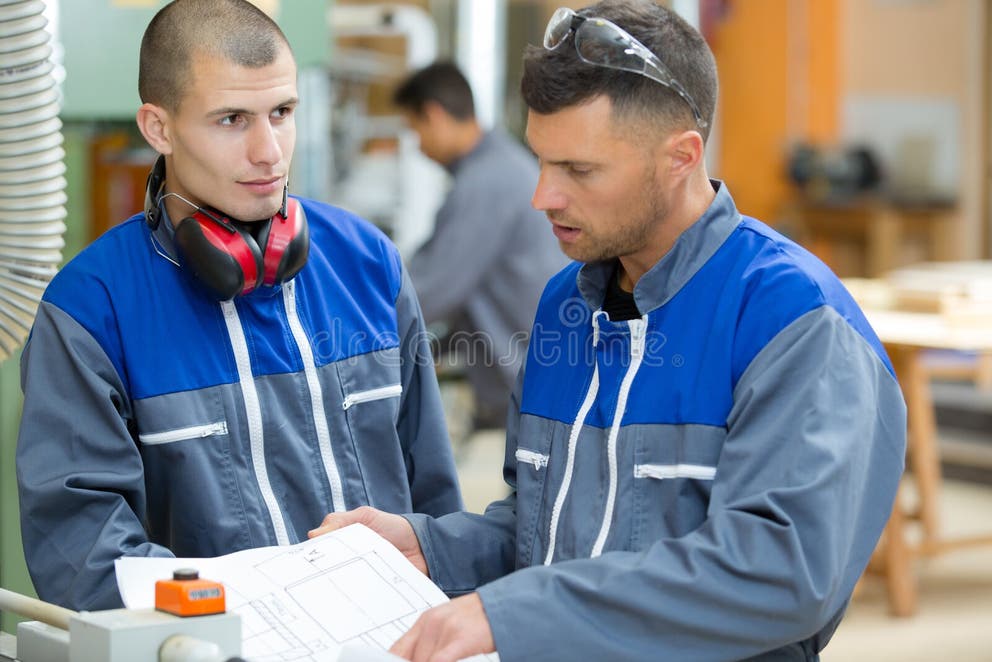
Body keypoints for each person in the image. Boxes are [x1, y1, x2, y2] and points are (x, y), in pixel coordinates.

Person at [310, 1, 908, 660]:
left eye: (579, 170)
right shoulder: (567, 304)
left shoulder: (793, 323)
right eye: (541, 159)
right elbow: (545, 528)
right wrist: (430, 547)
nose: (543, 196)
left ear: (679, 157)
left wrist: (515, 614)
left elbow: (779, 573)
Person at [15, 0, 462, 611]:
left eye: (282, 112)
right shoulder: (92, 311)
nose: (269, 151)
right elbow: (88, 558)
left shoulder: (369, 266)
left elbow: (435, 510)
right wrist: (262, 620)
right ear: (159, 127)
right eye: (232, 119)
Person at [393, 61, 567, 430]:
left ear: (434, 115)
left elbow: (429, 292)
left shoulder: (486, 183)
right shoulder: (497, 169)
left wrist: (346, 322)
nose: (419, 147)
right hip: (530, 389)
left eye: (415, 130)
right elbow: (471, 300)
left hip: (531, 397)